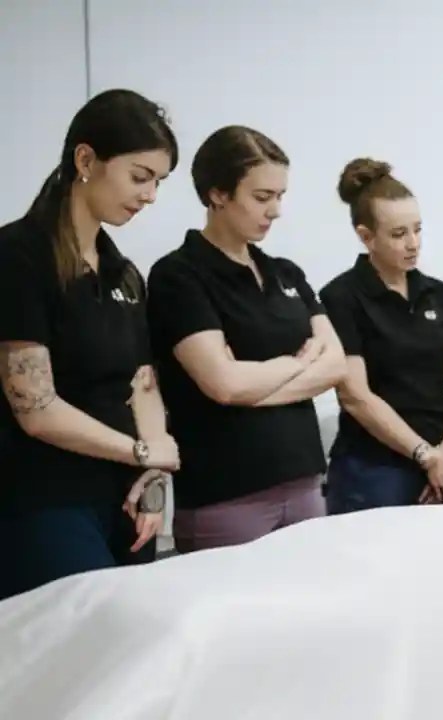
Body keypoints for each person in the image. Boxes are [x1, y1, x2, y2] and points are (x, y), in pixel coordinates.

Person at [0, 89, 181, 601]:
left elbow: (142, 381)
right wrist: (141, 450)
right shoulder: (19, 257)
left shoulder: (124, 272)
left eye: (158, 183)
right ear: (86, 160)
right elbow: (36, 408)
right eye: (139, 177)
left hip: (125, 503)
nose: (149, 195)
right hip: (46, 504)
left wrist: (152, 476)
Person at [146, 126, 346, 553]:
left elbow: (335, 364)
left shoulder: (285, 272)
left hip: (304, 480)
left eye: (280, 196)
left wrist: (249, 386)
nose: (275, 210)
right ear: (219, 194)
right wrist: (296, 364)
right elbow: (223, 383)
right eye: (262, 197)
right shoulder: (179, 276)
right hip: (227, 493)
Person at [318, 158, 443, 512]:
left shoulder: (436, 293)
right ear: (366, 236)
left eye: (417, 229)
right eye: (398, 234)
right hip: (375, 470)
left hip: (441, 466)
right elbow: (356, 396)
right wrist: (424, 455)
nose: (413, 243)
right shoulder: (342, 297)